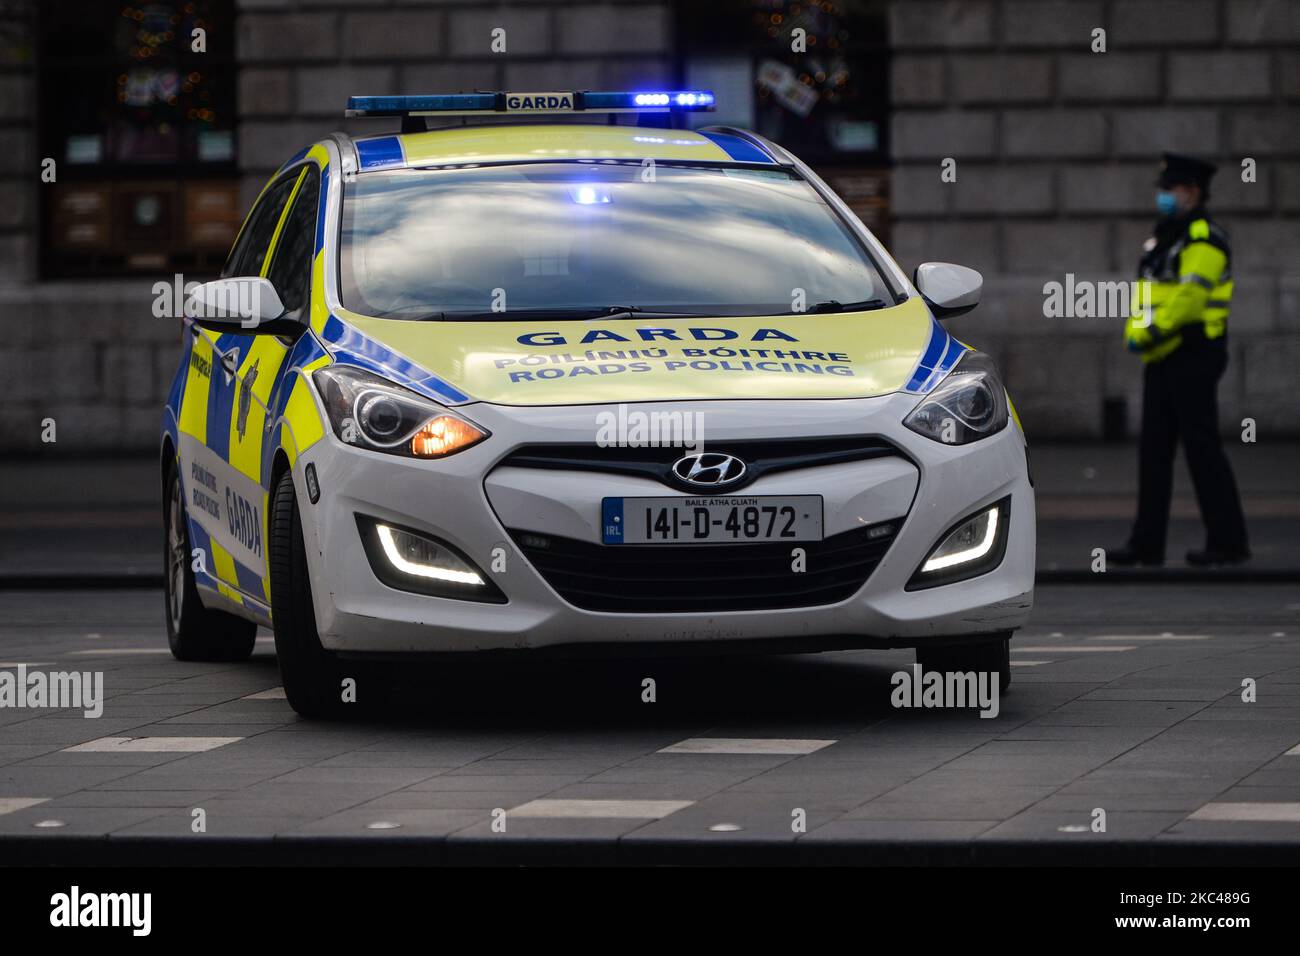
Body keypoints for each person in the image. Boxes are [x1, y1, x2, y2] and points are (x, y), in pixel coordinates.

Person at [1111, 153, 1249, 567]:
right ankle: (1146, 544)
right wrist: (1141, 332)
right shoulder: (1165, 237)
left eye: (1170, 188)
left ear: (1191, 190)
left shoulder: (1204, 238)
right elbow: (1152, 293)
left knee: (1201, 449)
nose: (1163, 196)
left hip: (1194, 354)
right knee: (1154, 452)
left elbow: (1189, 301)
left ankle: (1228, 543)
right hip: (1163, 356)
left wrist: (1146, 333)